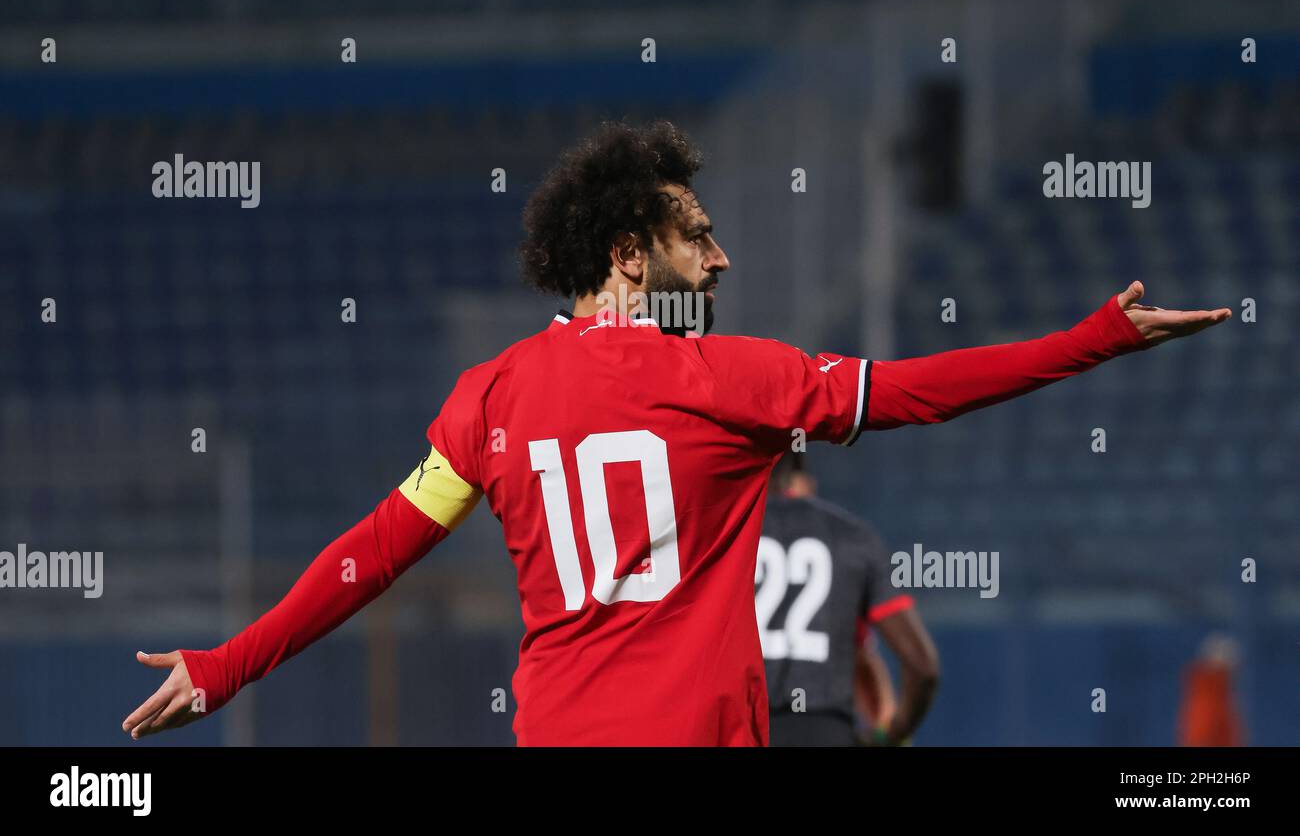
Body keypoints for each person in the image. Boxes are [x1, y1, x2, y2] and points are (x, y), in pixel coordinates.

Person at [122, 118, 1231, 746]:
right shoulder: (732, 377)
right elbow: (915, 390)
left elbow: (368, 554)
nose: (721, 258)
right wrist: (1095, 336)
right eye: (696, 236)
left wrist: (224, 666)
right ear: (623, 253)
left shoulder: (487, 398)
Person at [760, 453, 938, 746]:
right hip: (827, 730)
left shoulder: (724, 537)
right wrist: (892, 733)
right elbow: (923, 667)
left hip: (745, 730)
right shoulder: (852, 537)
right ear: (805, 481)